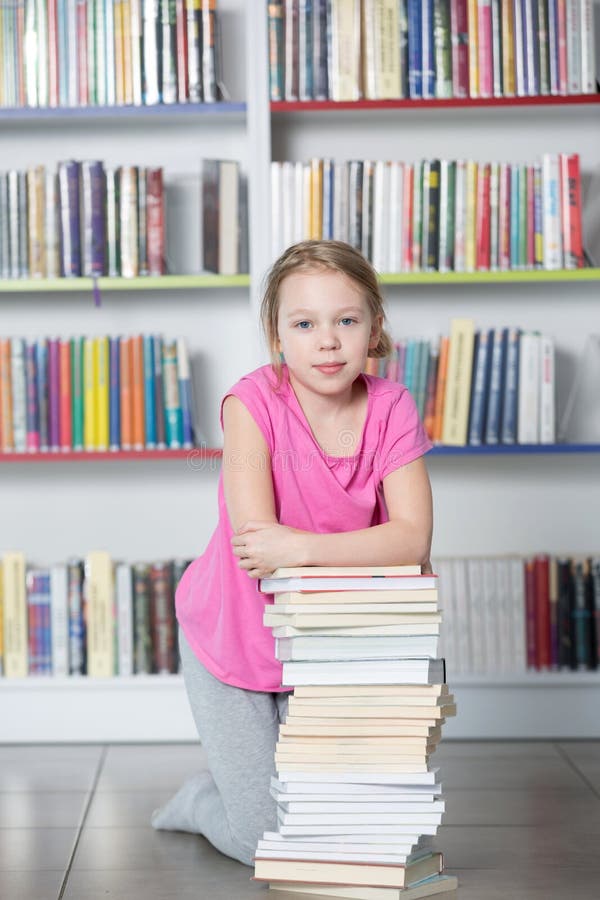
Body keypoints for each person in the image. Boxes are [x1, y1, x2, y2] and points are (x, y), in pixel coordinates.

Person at [151, 240, 433, 865]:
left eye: (346, 320)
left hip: (335, 643)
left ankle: (269, 791)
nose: (326, 341)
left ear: (374, 329)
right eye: (304, 323)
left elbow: (412, 540)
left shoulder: (392, 408)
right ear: (277, 334)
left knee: (392, 840)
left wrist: (302, 546)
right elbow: (259, 548)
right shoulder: (251, 405)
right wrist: (350, 550)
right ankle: (202, 800)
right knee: (269, 843)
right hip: (238, 641)